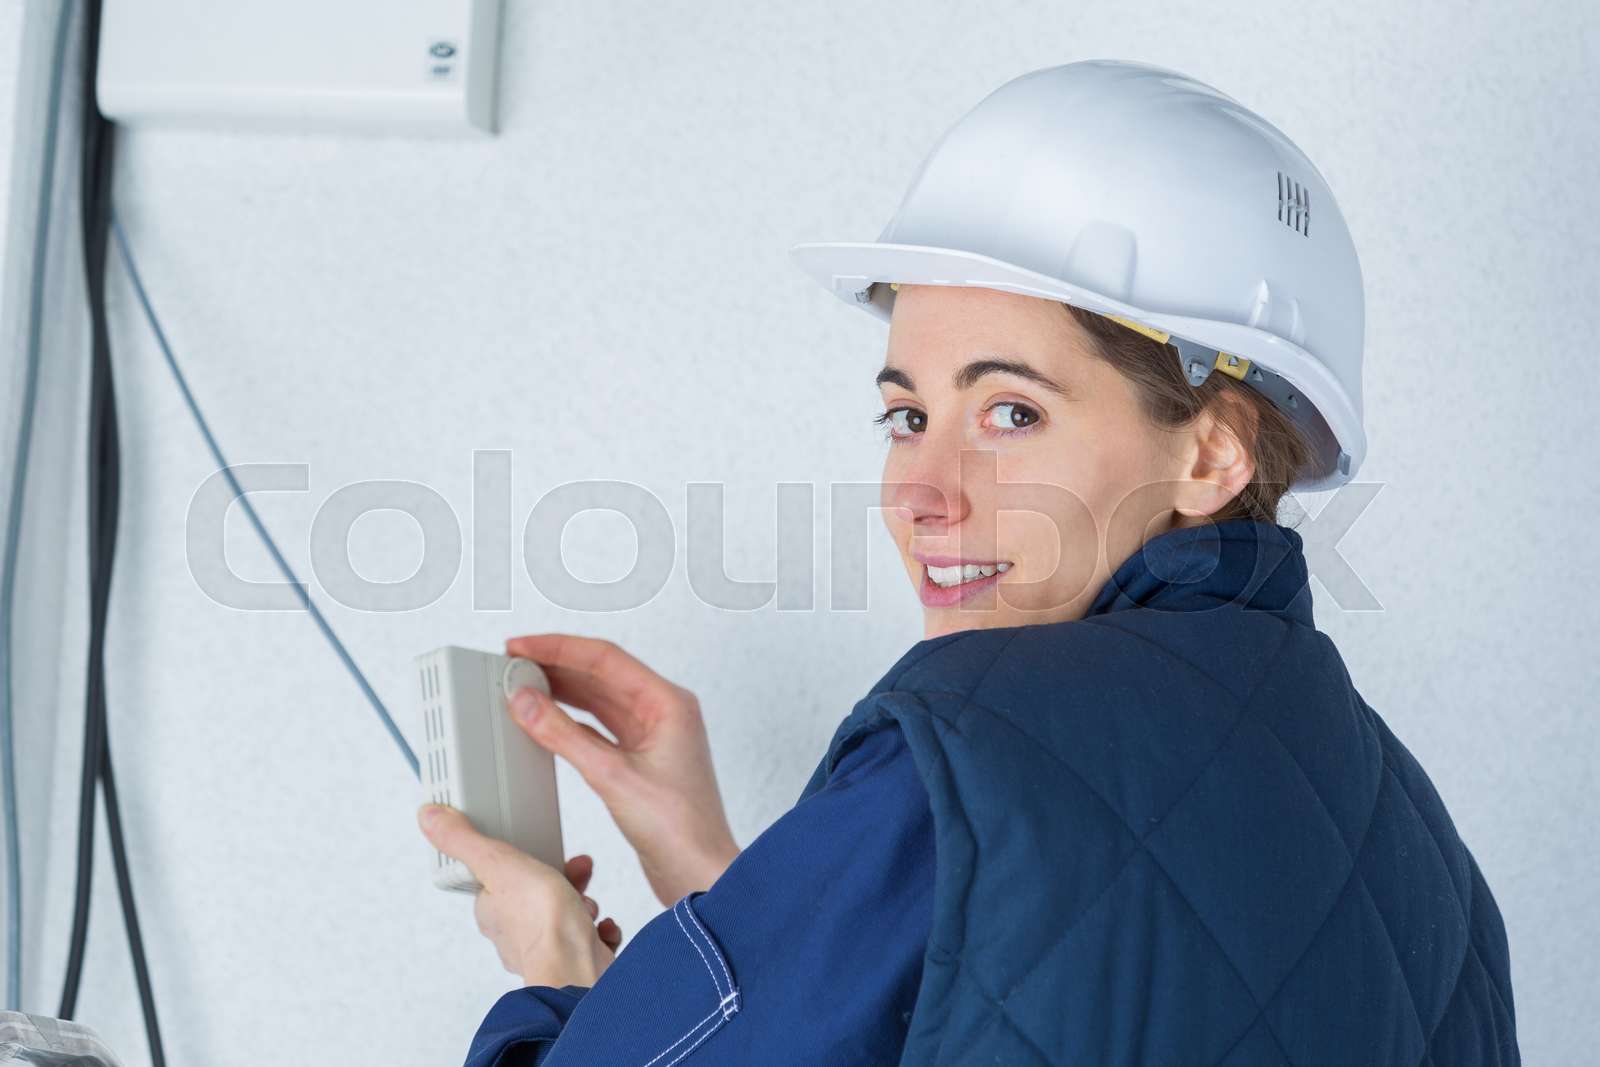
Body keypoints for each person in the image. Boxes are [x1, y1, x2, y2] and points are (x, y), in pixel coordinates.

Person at [419, 60, 1520, 1064]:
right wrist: (725, 875)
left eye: (1009, 410)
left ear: (1212, 448)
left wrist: (563, 979)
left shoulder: (971, 748)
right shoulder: (1435, 877)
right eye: (906, 416)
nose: (920, 491)